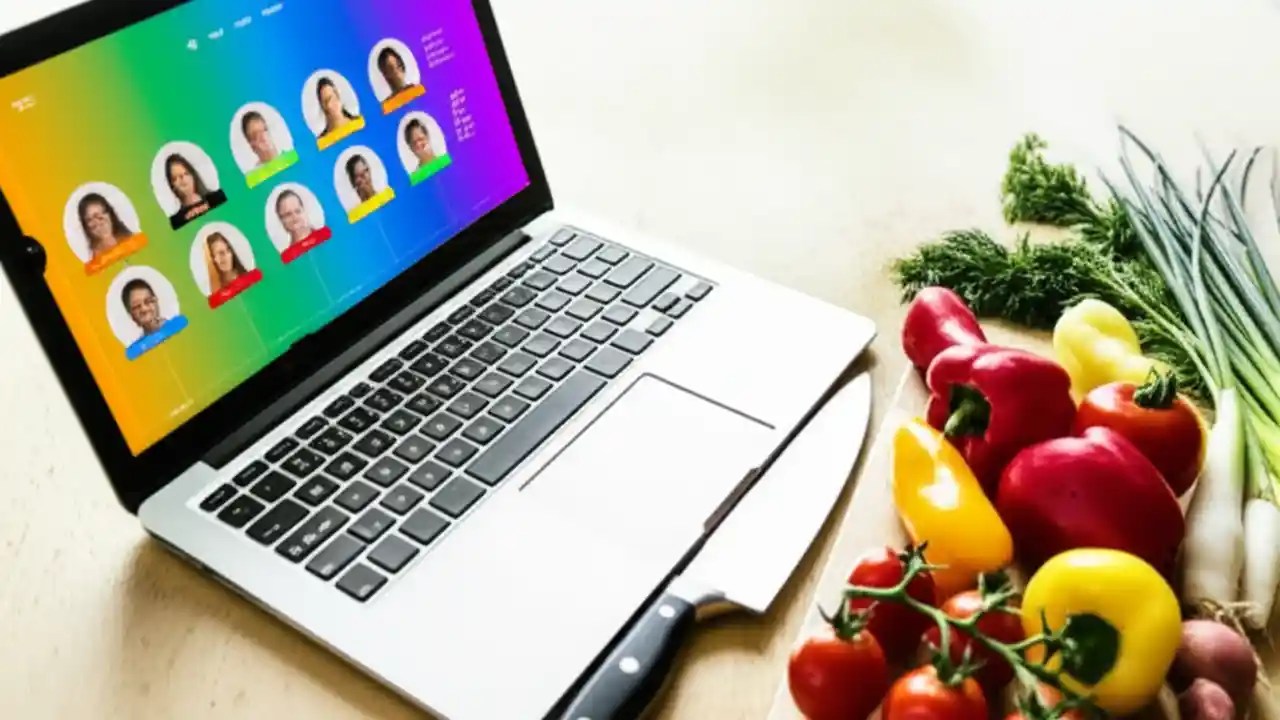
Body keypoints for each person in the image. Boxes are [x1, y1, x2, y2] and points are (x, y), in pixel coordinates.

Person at [165, 153, 226, 229]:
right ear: (172, 186)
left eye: (185, 173)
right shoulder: (178, 221)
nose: (182, 179)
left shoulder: (217, 198)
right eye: (175, 178)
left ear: (193, 175)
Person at [78, 193, 134, 262]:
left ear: (109, 214)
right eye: (89, 220)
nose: (96, 222)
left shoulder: (130, 239)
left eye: (98, 216)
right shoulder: (94, 258)